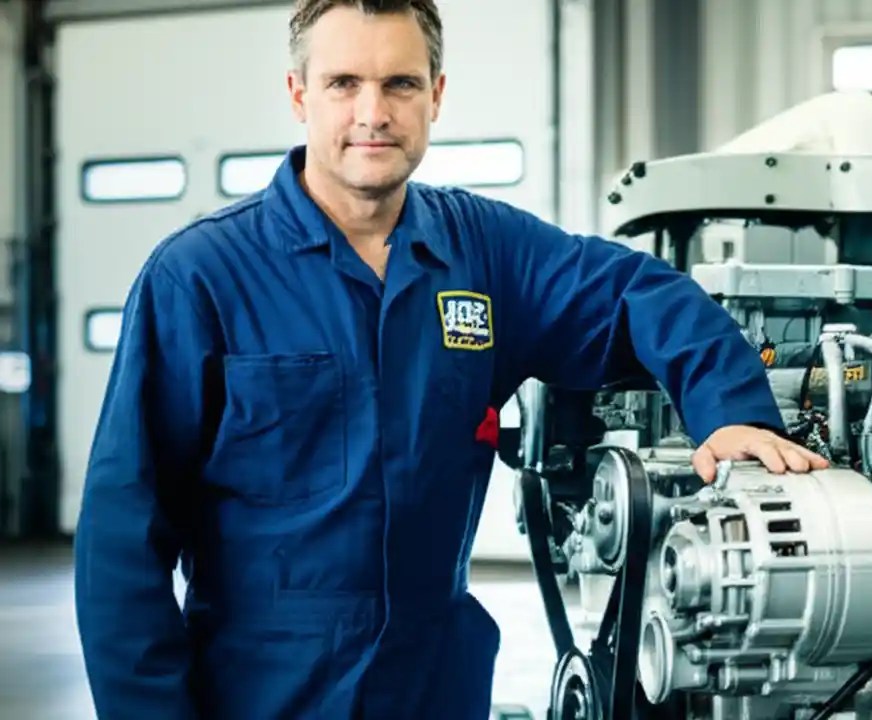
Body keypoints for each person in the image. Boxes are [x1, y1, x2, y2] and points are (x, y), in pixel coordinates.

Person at [72, 1, 829, 718]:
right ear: (299, 94)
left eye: (399, 83)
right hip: (262, 692)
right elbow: (122, 545)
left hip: (435, 683)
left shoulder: (483, 253)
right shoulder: (202, 277)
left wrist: (728, 415)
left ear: (435, 95)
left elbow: (641, 293)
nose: (373, 114)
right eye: (344, 84)